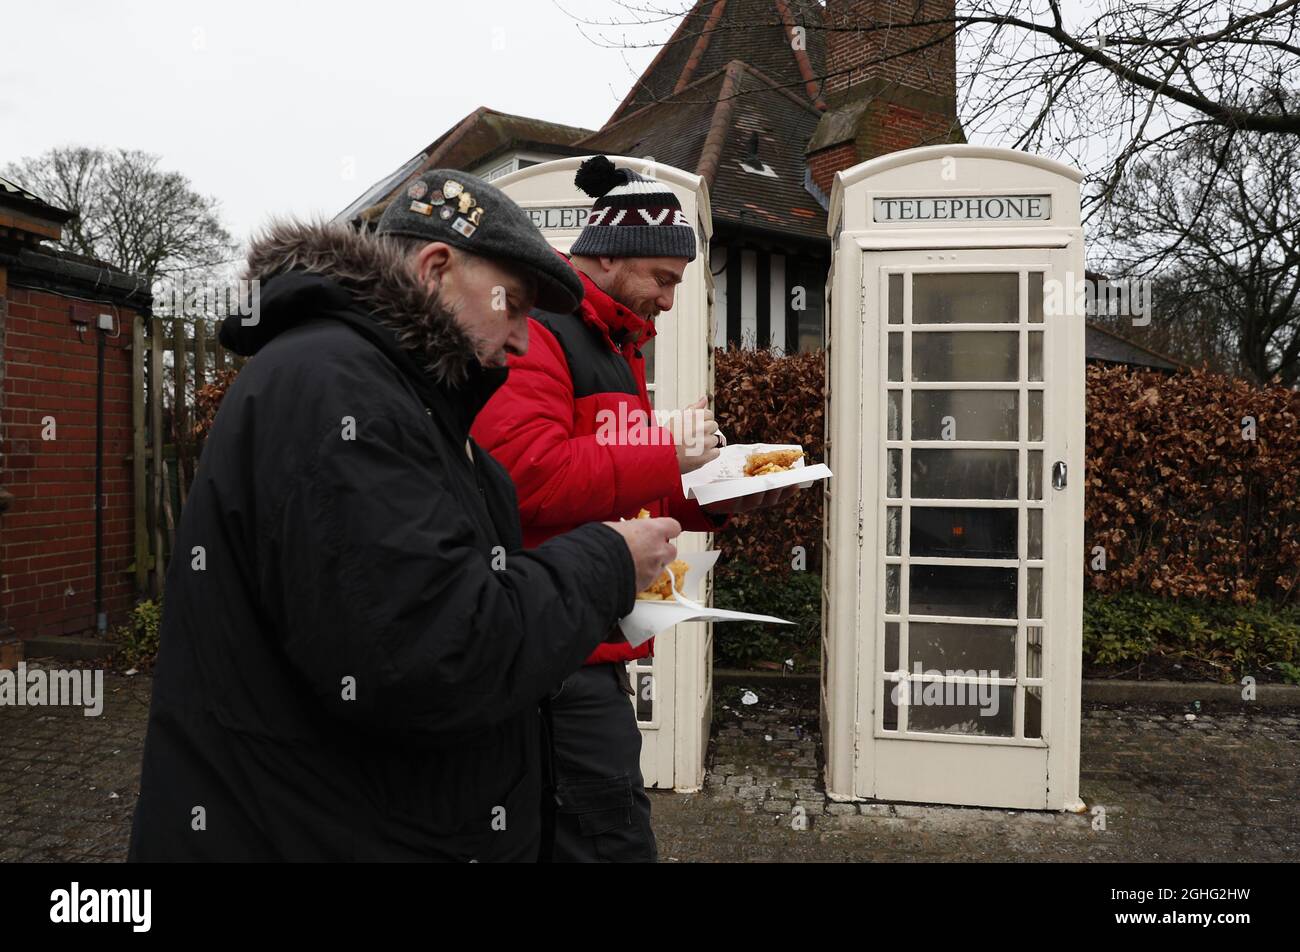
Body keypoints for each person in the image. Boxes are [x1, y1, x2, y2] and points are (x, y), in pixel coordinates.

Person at [128, 169, 681, 862]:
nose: (521, 341)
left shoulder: (394, 393)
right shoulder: (338, 388)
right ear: (436, 267)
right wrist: (608, 559)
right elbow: (435, 651)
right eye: (514, 308)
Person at [472, 155, 797, 862]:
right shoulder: (544, 336)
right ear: (613, 257)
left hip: (586, 634)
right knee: (609, 844)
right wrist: (665, 452)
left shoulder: (613, 342)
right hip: (552, 649)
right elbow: (522, 475)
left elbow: (609, 475)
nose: (670, 300)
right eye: (664, 279)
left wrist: (717, 497)